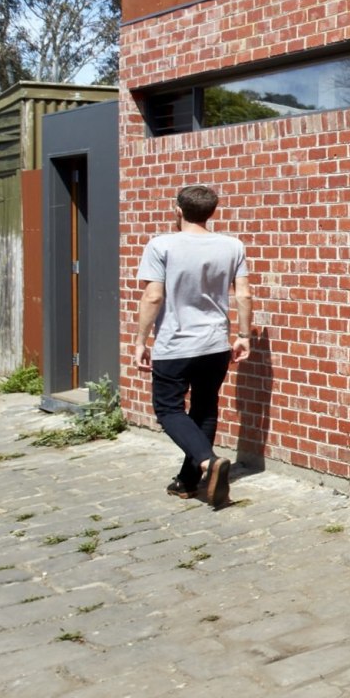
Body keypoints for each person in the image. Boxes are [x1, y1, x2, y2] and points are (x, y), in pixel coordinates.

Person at [134, 183, 251, 508]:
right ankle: (187, 482)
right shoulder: (232, 246)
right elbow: (243, 294)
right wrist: (243, 335)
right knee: (204, 408)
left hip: (176, 344)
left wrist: (141, 341)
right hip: (215, 344)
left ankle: (206, 462)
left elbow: (153, 295)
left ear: (178, 209)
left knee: (169, 409)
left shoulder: (161, 245)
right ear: (212, 211)